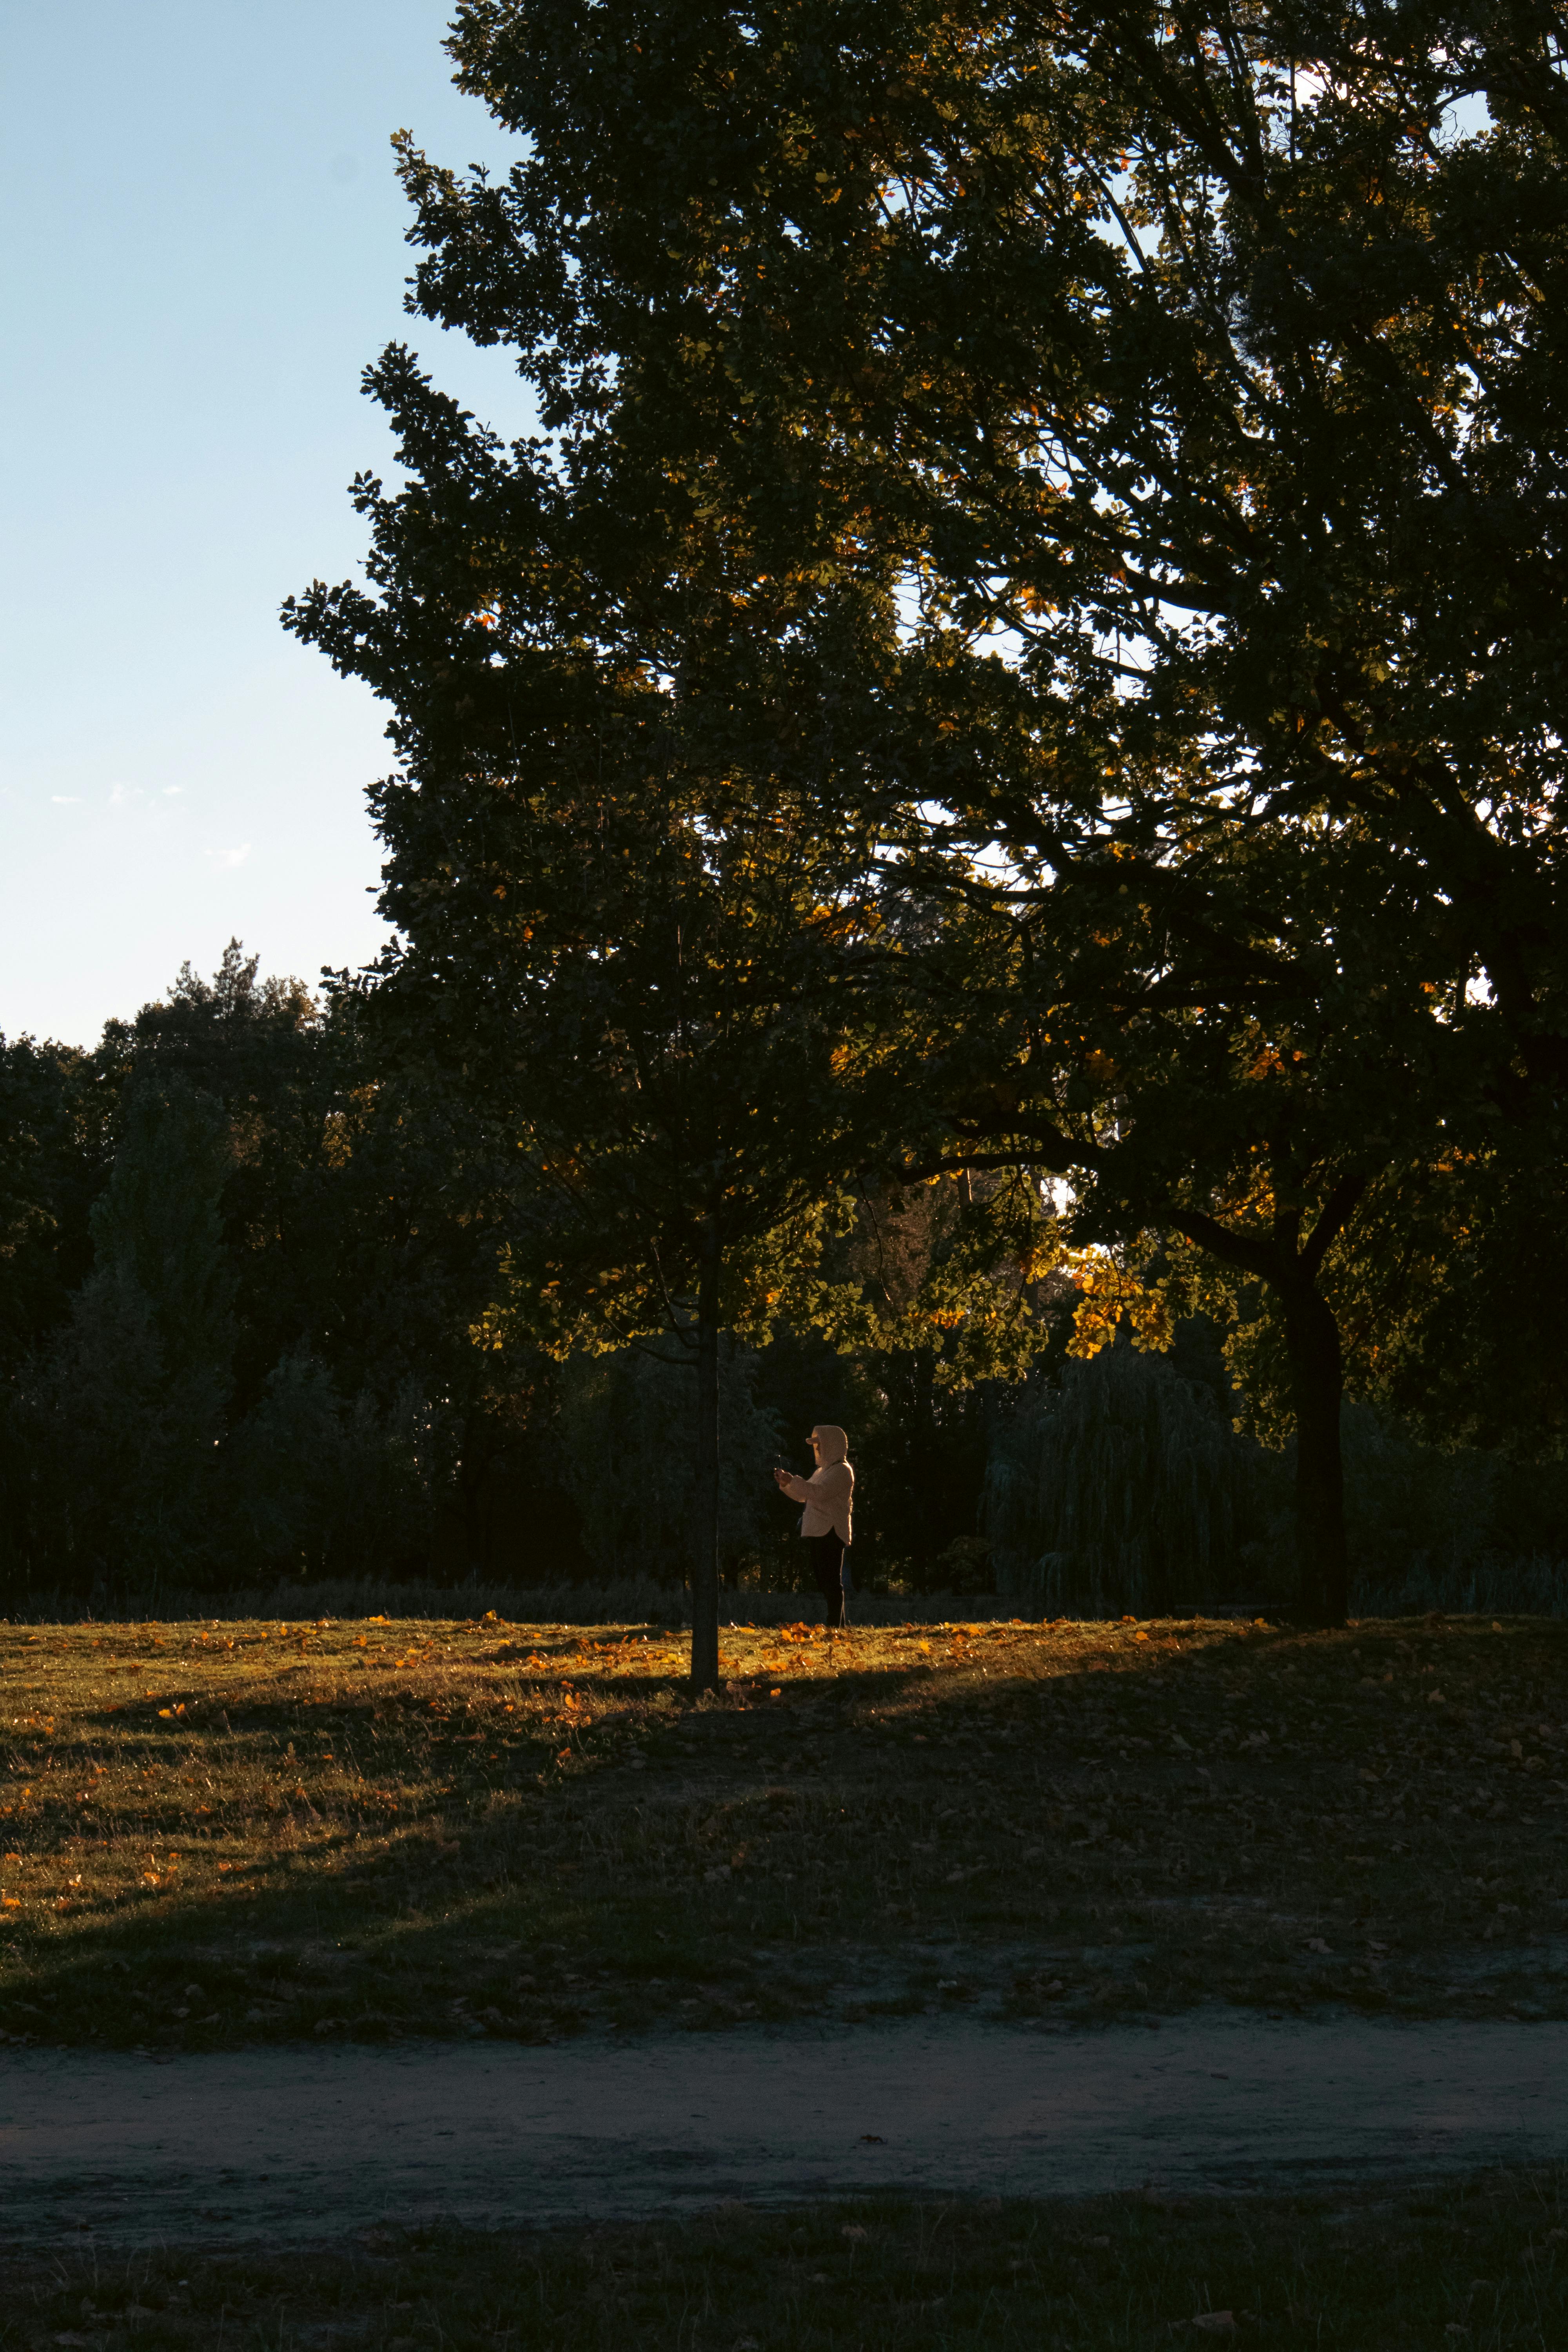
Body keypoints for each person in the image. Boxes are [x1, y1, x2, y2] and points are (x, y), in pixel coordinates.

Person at [773, 1425, 854, 1628]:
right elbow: (804, 1496)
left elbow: (819, 1493)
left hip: (832, 1531)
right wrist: (787, 1484)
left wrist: (794, 1481)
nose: (817, 1449)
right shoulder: (822, 1472)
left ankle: (835, 1625)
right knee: (824, 1581)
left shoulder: (842, 1471)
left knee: (831, 1582)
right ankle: (838, 1625)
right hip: (818, 1531)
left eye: (820, 1444)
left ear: (833, 1445)